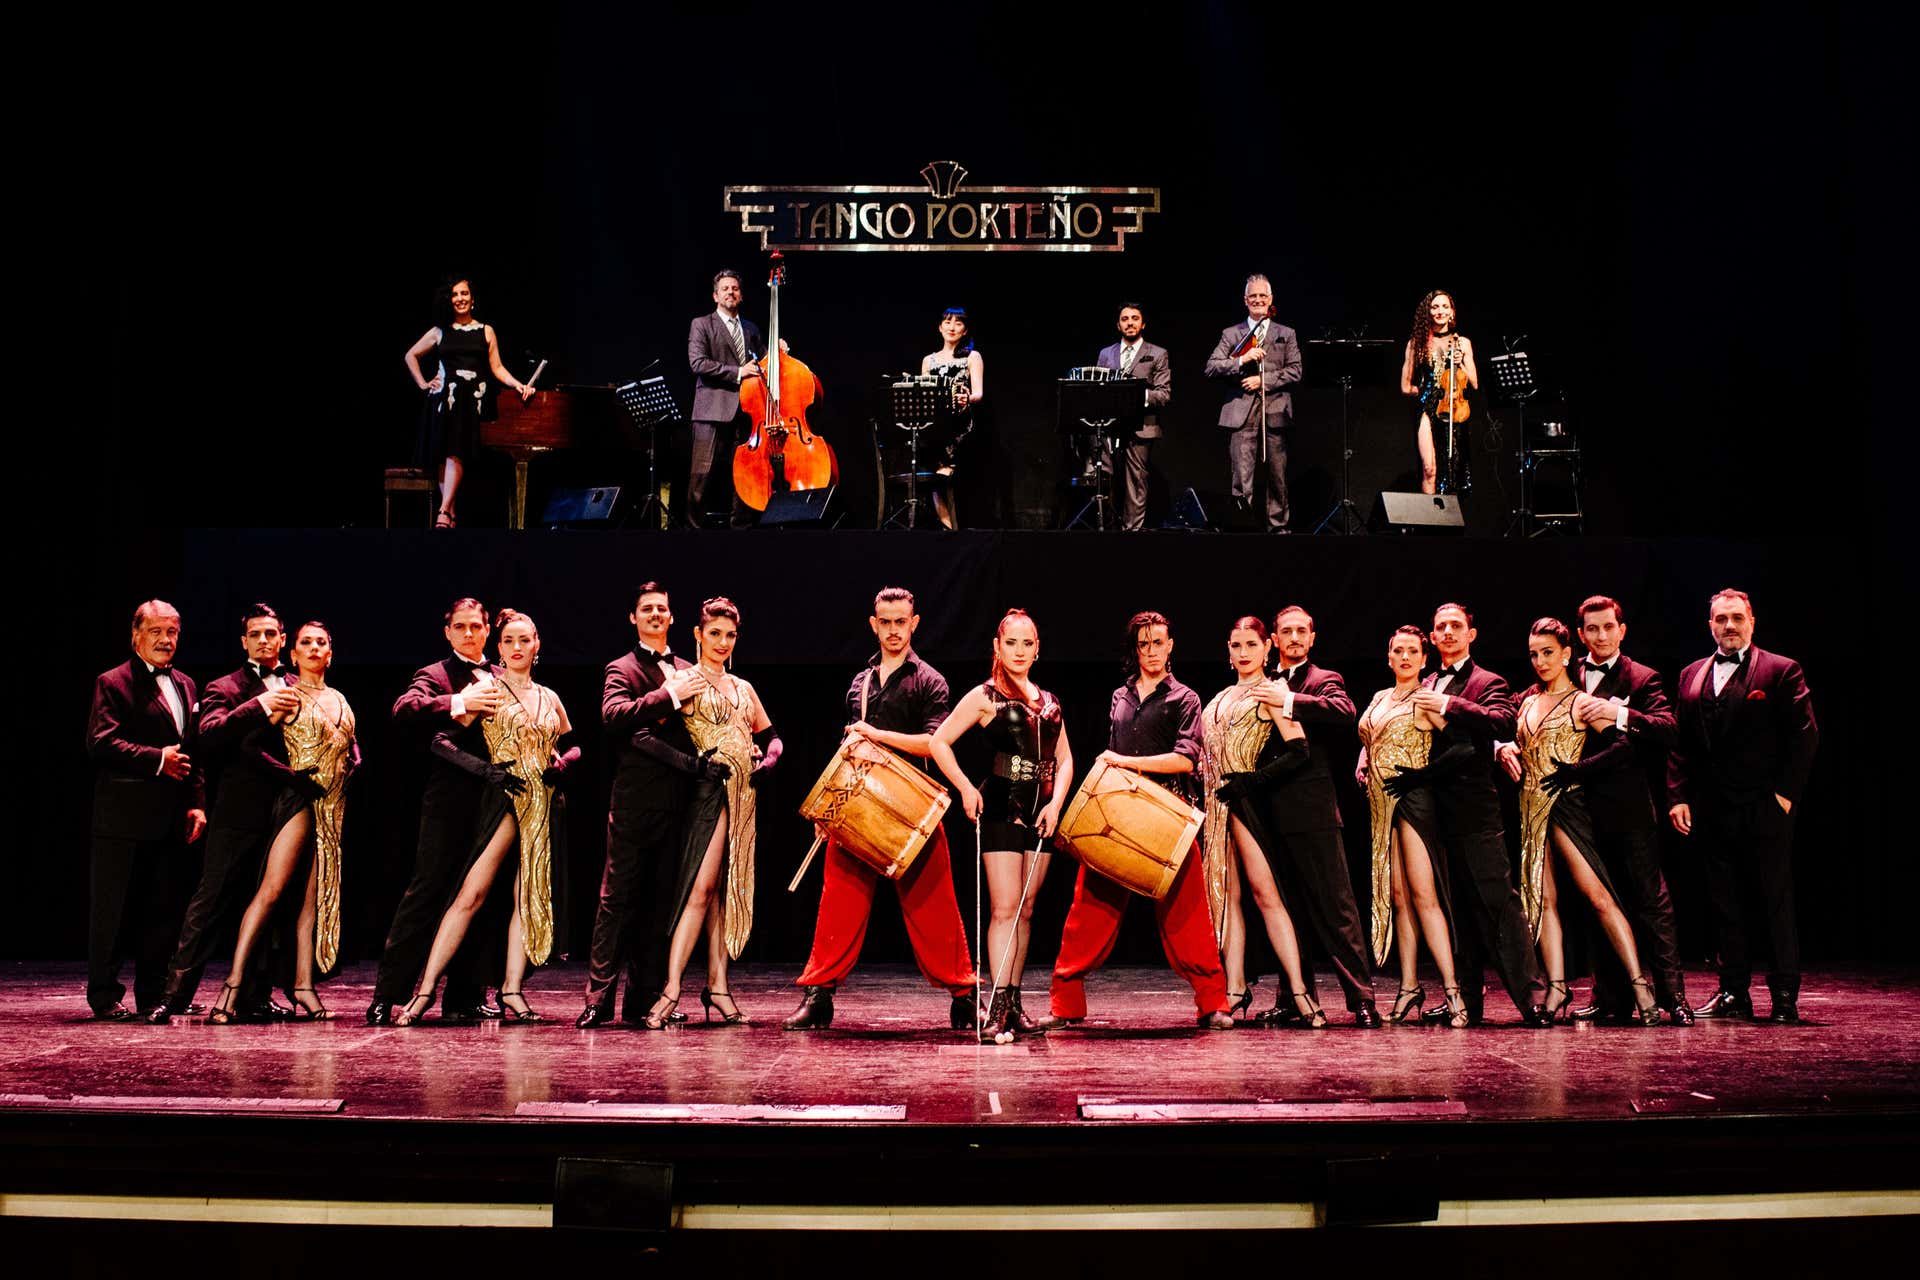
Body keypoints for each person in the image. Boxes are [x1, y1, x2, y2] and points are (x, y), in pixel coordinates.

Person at [785, 588, 978, 1031]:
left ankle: (965, 997)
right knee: (839, 901)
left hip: (912, 809)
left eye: (901, 622)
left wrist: (874, 734)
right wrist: (828, 812)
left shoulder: (930, 681)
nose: (893, 630)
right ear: (874, 624)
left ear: (915, 623)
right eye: (885, 622)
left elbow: (934, 743)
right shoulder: (860, 684)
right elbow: (849, 751)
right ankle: (819, 996)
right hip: (858, 807)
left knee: (937, 905)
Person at [1043, 611, 1231, 1030]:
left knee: (1189, 917)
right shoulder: (1120, 696)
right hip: (1121, 815)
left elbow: (1185, 759)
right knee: (1087, 911)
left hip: (1168, 816)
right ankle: (1065, 1003)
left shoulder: (1184, 698)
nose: (1151, 651)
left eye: (1158, 642)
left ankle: (1213, 1002)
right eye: (1143, 644)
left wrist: (1125, 761)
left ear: (1171, 645)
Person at [395, 610, 578, 1025]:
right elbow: (442, 742)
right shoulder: (487, 690)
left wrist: (562, 764)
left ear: (537, 645)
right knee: (470, 895)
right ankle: (424, 991)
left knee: (525, 898)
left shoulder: (549, 696)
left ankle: (512, 989)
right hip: (505, 799)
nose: (516, 647)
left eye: (524, 640)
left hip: (544, 803)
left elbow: (572, 745)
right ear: (500, 648)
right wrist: (487, 772)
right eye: (508, 640)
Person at [628, 598, 781, 1029]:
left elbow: (772, 737)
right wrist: (693, 764)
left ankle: (718, 988)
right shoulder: (685, 681)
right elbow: (644, 736)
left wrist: (767, 760)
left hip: (744, 796)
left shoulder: (743, 688)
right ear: (697, 635)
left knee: (724, 896)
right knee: (700, 890)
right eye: (714, 633)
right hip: (708, 793)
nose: (722, 642)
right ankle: (670, 990)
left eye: (729, 635)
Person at [1667, 589, 1819, 1023]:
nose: (1728, 626)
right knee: (1724, 902)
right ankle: (1734, 990)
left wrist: (1783, 796)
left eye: (1736, 618)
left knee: (1773, 899)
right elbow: (1681, 743)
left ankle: (1784, 994)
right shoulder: (1692, 674)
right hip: (1712, 808)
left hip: (1763, 806)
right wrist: (1677, 795)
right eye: (1720, 619)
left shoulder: (1781, 670)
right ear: (1710, 624)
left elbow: (1804, 737)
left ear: (1751, 621)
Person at [1498, 618, 1658, 1027]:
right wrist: (1502, 745)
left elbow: (1625, 745)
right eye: (1534, 654)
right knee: (1544, 902)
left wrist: (1578, 770)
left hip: (1567, 806)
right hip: (1531, 810)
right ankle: (1555, 985)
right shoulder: (1527, 701)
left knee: (1598, 896)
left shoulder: (1580, 702)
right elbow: (1496, 724)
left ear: (1568, 653)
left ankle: (1641, 986)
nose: (1540, 661)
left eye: (1548, 652)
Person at [1397, 603, 1550, 1026]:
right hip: (1429, 810)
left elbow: (1502, 721)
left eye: (1455, 626)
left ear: (1471, 634)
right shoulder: (1421, 680)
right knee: (1451, 909)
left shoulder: (1488, 681)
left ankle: (1532, 997)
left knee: (1498, 904)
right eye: (1440, 626)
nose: (1447, 632)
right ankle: (1463, 998)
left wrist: (1448, 704)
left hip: (1474, 811)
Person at [150, 605, 299, 1024]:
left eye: (272, 633)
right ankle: (175, 996)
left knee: (270, 904)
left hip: (286, 811)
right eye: (256, 634)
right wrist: (260, 705)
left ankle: (255, 994)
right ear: (244, 642)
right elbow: (209, 735)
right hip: (238, 812)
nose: (265, 641)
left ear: (282, 639)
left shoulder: (296, 683)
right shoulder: (225, 686)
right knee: (210, 902)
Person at [931, 609, 1074, 1041]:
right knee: (1005, 908)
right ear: (997, 646)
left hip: (1042, 809)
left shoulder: (1049, 700)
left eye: (1027, 643)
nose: (1019, 651)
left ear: (1037, 649)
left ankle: (1013, 1001)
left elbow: (1065, 759)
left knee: (1026, 910)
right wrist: (963, 788)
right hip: (1001, 804)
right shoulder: (984, 696)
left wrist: (1057, 805)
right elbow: (939, 741)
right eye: (1010, 643)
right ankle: (996, 1005)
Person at [577, 583, 716, 1028]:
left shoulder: (689, 668)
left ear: (672, 618)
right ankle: (598, 999)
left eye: (662, 609)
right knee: (616, 901)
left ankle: (646, 998)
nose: (656, 614)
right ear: (633, 618)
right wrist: (671, 696)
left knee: (662, 904)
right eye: (647, 609)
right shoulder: (622, 668)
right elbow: (616, 718)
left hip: (678, 803)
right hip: (634, 802)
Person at [207, 622, 359, 1024]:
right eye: (305, 642)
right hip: (299, 801)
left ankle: (304, 986)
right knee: (271, 891)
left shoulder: (340, 699)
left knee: (311, 902)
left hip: (332, 807)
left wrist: (352, 761)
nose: (313, 648)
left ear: (330, 653)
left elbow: (346, 744)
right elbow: (249, 747)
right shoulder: (286, 696)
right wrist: (289, 775)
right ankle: (232, 988)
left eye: (320, 643)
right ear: (293, 654)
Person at [367, 598, 508, 1025]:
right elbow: (403, 709)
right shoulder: (436, 675)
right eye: (460, 627)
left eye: (476, 626)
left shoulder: (505, 676)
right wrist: (458, 702)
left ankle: (466, 995)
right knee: (426, 894)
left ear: (487, 630)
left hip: (497, 799)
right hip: (449, 800)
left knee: (483, 898)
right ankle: (387, 994)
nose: (468, 633)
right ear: (447, 632)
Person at [1554, 596, 1692, 1025]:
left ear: (1622, 630)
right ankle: (1610, 997)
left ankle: (1673, 997)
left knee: (1651, 903)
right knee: (1598, 903)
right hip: (1580, 808)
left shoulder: (1642, 678)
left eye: (1607, 627)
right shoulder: (1566, 671)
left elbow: (1668, 729)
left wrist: (1620, 713)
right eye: (1591, 629)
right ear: (1580, 635)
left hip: (1628, 809)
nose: (1600, 635)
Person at [1241, 607, 1378, 1027]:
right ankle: (1293, 998)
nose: (1295, 637)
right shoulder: (1256, 683)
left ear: (1312, 638)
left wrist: (1286, 700)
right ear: (1274, 640)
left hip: (1313, 811)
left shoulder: (1322, 680)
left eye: (1302, 631)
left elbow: (1342, 710)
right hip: (1266, 812)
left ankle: (1362, 999)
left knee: (1336, 910)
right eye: (1287, 631)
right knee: (1285, 912)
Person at [83, 601, 206, 1020]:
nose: (165, 640)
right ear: (135, 635)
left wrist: (196, 805)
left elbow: (193, 753)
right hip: (122, 819)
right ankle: (104, 995)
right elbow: (101, 742)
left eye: (171, 631)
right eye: (155, 631)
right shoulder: (113, 682)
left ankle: (152, 996)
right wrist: (157, 759)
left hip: (169, 817)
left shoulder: (187, 684)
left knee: (162, 913)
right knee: (114, 912)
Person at [1199, 616, 1321, 1026]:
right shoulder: (1217, 698)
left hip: (1247, 804)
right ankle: (1234, 988)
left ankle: (1301, 993)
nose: (1243, 652)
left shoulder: (1273, 692)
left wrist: (1252, 781)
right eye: (1236, 645)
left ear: (1266, 648)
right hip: (1215, 806)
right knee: (1227, 900)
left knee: (1266, 896)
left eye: (1251, 644)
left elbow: (1299, 750)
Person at [1357, 626, 1466, 1026]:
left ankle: (1453, 992)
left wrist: (1423, 775)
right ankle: (1408, 987)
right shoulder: (1380, 697)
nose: (1404, 657)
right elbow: (1373, 737)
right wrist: (1365, 759)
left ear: (1424, 660)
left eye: (1412, 652)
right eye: (1397, 651)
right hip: (1381, 805)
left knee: (1424, 897)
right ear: (1389, 657)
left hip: (1413, 802)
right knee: (1399, 897)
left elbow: (1461, 745)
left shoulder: (1425, 700)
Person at [403, 276, 536, 529]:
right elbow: (411, 355)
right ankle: (450, 513)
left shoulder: (485, 330)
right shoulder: (440, 331)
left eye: (464, 294)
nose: (460, 299)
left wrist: (518, 384)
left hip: (470, 402)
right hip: (443, 401)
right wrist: (422, 384)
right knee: (444, 456)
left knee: (455, 452)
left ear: (472, 300)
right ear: (449, 300)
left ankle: (443, 511)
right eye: (455, 295)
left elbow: (497, 367)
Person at [1204, 274, 1301, 532]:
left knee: (1277, 477)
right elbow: (1212, 367)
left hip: (1275, 411)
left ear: (1270, 300)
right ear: (1246, 300)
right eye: (1253, 296)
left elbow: (1295, 371)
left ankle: (1278, 528)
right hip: (1241, 412)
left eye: (1262, 296)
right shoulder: (1231, 333)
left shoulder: (1286, 334)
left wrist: (1262, 380)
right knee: (1241, 477)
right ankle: (1241, 528)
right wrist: (1242, 359)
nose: (1258, 300)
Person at [686, 268, 765, 528]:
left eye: (735, 288)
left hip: (745, 410)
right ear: (715, 296)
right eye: (725, 289)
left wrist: (776, 350)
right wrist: (737, 372)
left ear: (741, 295)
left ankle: (740, 528)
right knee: (702, 474)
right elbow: (698, 363)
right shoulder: (702, 324)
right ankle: (693, 529)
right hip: (711, 409)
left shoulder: (751, 328)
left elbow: (761, 364)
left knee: (743, 474)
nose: (730, 292)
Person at [1094, 302, 1172, 532]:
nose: (1130, 323)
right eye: (1125, 319)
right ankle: (1107, 527)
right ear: (1118, 325)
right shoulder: (1106, 354)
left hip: (1141, 425)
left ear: (1143, 323)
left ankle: (1132, 531)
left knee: (1136, 479)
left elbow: (1164, 394)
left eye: (1135, 318)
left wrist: (1136, 396)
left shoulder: (1157, 353)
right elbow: (1098, 389)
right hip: (1110, 426)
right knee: (1105, 478)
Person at [1398, 290, 1478, 495]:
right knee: (1429, 469)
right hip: (1426, 407)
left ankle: (1450, 523)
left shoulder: (1463, 343)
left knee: (1453, 471)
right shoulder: (1417, 343)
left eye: (1445, 306)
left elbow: (1474, 383)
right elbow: (1406, 387)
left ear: (1452, 312)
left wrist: (1460, 363)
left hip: (1455, 408)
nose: (1440, 311)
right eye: (1435, 307)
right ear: (1428, 312)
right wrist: (1426, 391)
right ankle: (1429, 524)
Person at [921, 306, 985, 530]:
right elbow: (924, 394)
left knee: (951, 475)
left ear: (965, 330)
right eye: (947, 322)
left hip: (961, 426)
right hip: (934, 427)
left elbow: (978, 393)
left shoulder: (971, 356)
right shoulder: (929, 360)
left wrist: (967, 397)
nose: (952, 327)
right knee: (932, 471)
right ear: (940, 327)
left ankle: (954, 527)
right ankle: (948, 526)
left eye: (958, 323)